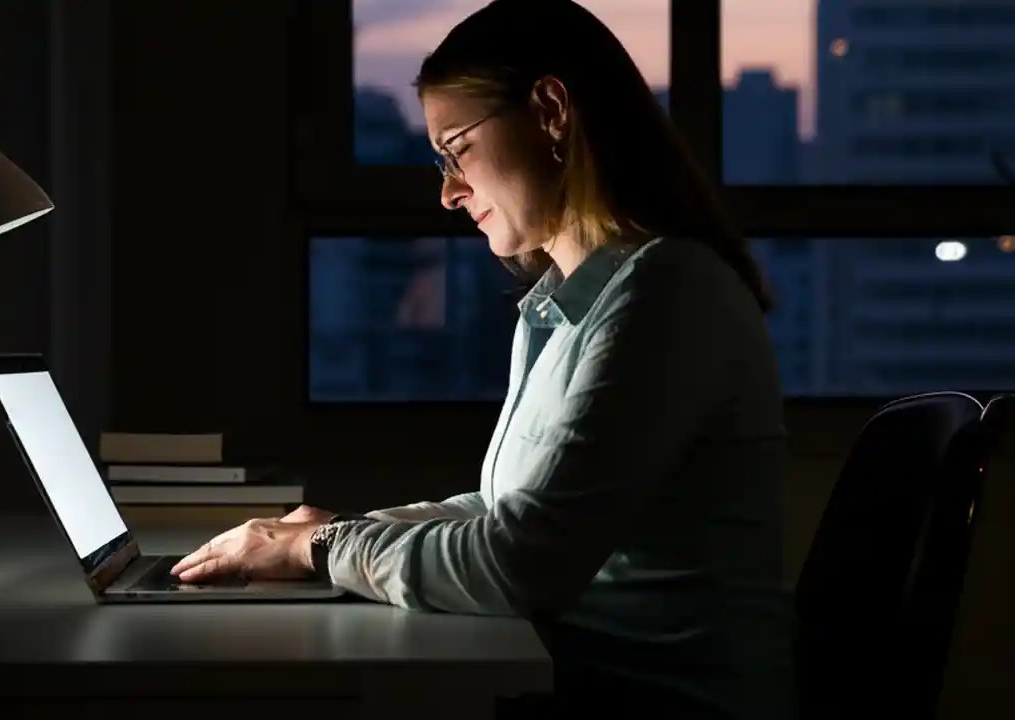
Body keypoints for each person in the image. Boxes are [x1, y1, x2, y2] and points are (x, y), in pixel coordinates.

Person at [170, 0, 797, 716]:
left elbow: (519, 565)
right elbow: (510, 516)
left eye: (456, 149)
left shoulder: (664, 296)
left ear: (551, 110)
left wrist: (321, 549)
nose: (447, 192)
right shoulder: (567, 305)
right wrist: (330, 532)